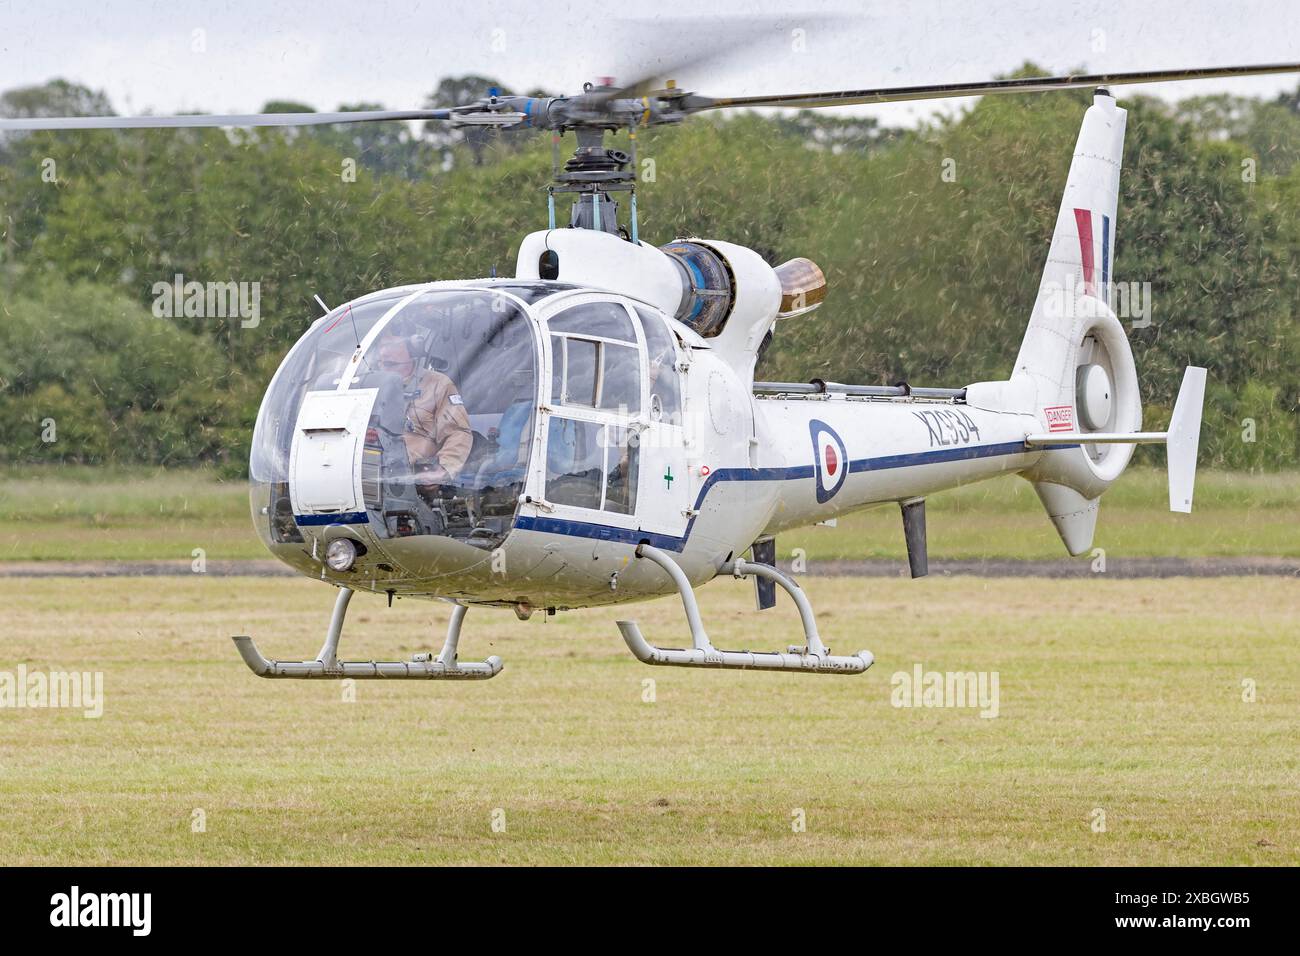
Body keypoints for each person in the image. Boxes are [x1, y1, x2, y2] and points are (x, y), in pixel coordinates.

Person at [376, 329, 472, 486]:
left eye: (391, 344)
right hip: (370, 475)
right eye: (382, 345)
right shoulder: (366, 384)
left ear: (412, 350)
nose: (384, 351)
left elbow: (458, 433)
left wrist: (443, 470)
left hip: (413, 483)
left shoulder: (438, 384)